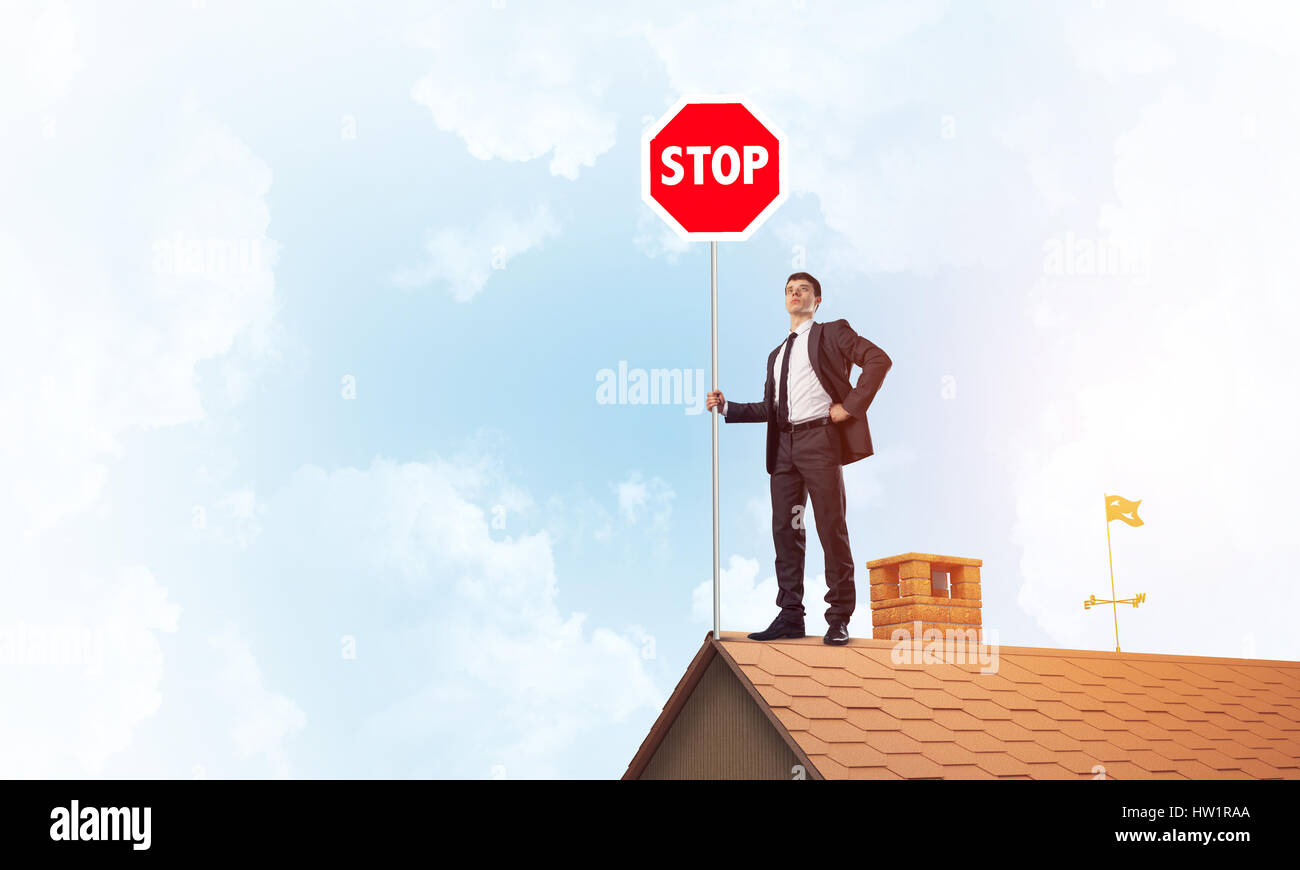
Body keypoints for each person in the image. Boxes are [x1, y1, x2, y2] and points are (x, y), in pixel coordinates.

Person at [705, 272, 892, 645]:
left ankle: (838, 617)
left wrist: (851, 407)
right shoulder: (776, 356)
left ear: (817, 300)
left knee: (829, 527)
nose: (795, 294)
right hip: (785, 449)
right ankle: (790, 615)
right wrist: (729, 408)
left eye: (803, 289)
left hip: (820, 440)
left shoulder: (833, 333)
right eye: (790, 290)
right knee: (786, 531)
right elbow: (772, 408)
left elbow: (878, 359)